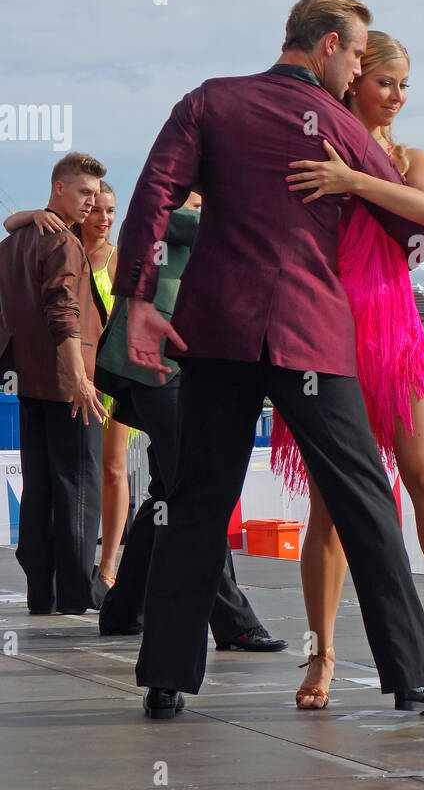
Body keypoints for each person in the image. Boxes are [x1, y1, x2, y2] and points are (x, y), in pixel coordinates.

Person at [115, 0, 424, 720]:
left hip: (216, 331)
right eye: (359, 56)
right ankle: (416, 677)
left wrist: (137, 303)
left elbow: (153, 197)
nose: (359, 71)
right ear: (329, 45)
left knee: (197, 500)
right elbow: (413, 227)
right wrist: (359, 190)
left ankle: (167, 679)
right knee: (365, 498)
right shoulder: (341, 125)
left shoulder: (210, 102)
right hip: (311, 334)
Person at [272, 30, 424, 707]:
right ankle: (320, 656)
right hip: (329, 338)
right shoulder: (318, 147)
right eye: (386, 82)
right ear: (353, 80)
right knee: (330, 505)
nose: (399, 96)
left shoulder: (407, 157)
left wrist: (353, 180)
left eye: (406, 84)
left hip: (398, 334)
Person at [95, 194, 285, 652]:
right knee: (196, 490)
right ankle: (233, 621)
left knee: (167, 491)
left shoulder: (173, 219)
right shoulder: (172, 213)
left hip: (163, 369)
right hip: (160, 368)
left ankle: (122, 611)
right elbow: (228, 232)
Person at [6, 183, 134, 588]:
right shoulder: (65, 246)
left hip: (111, 380)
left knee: (112, 471)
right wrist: (31, 214)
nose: (104, 218)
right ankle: (76, 573)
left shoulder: (118, 260)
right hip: (75, 381)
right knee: (76, 476)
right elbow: (11, 224)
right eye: (97, 209)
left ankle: (109, 565)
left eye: (111, 211)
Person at [0, 153, 108, 613]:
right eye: (85, 192)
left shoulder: (14, 241)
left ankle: (42, 592)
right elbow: (63, 314)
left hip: (28, 380)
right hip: (67, 383)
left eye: (96, 194)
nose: (92, 202)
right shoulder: (62, 242)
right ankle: (77, 593)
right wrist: (82, 380)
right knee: (78, 488)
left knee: (41, 487)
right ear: (59, 188)